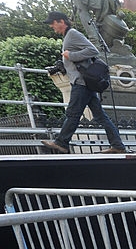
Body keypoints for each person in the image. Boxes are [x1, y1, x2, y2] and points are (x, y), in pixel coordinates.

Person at [41, 11, 127, 155]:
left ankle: (61, 142)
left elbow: (93, 50)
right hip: (84, 82)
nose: (52, 26)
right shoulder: (68, 36)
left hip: (81, 83)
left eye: (53, 23)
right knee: (100, 116)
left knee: (73, 114)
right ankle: (117, 145)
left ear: (61, 21)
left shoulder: (72, 34)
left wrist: (71, 56)